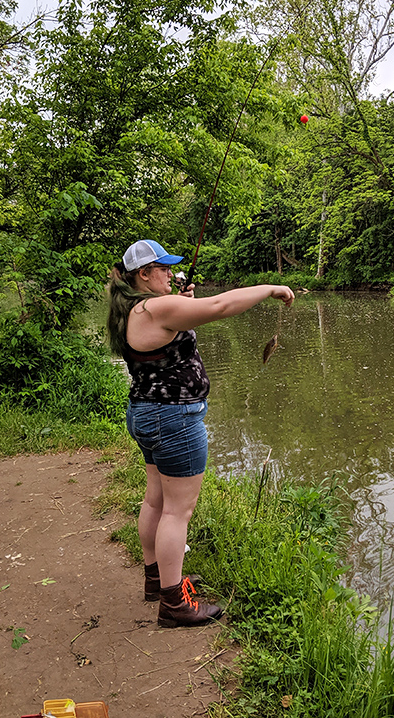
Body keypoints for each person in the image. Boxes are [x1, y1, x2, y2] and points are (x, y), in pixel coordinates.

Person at [107, 238, 295, 628]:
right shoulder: (157, 307)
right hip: (174, 419)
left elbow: (171, 337)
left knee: (155, 500)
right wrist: (270, 288)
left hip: (146, 413)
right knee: (177, 512)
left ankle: (157, 579)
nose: (171, 274)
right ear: (144, 274)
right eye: (163, 269)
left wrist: (182, 304)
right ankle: (174, 604)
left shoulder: (132, 308)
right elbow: (220, 306)